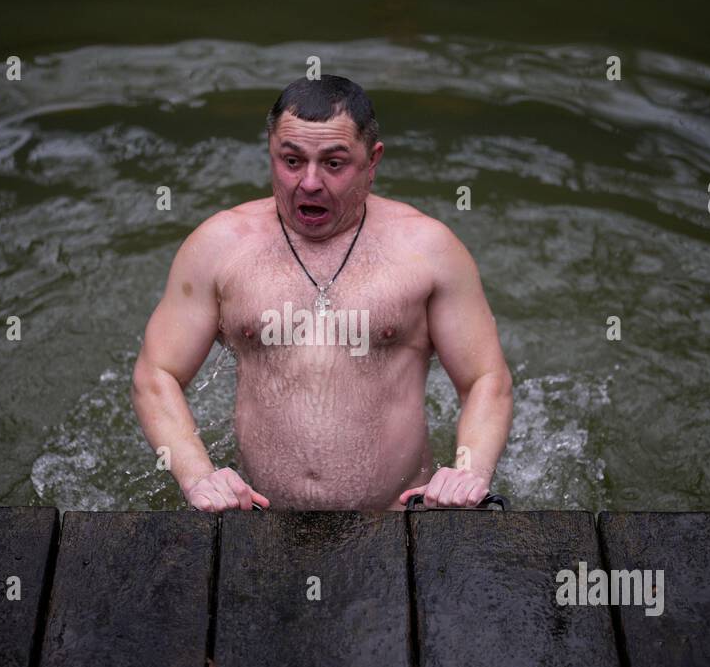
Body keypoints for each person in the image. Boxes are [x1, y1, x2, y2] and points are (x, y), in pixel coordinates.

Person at [131, 75, 513, 511]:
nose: (309, 183)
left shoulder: (428, 250)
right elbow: (156, 373)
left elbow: (486, 378)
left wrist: (467, 471)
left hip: (399, 520)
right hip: (257, 518)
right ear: (270, 152)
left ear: (372, 161)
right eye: (291, 161)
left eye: (334, 164)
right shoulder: (219, 246)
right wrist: (199, 476)